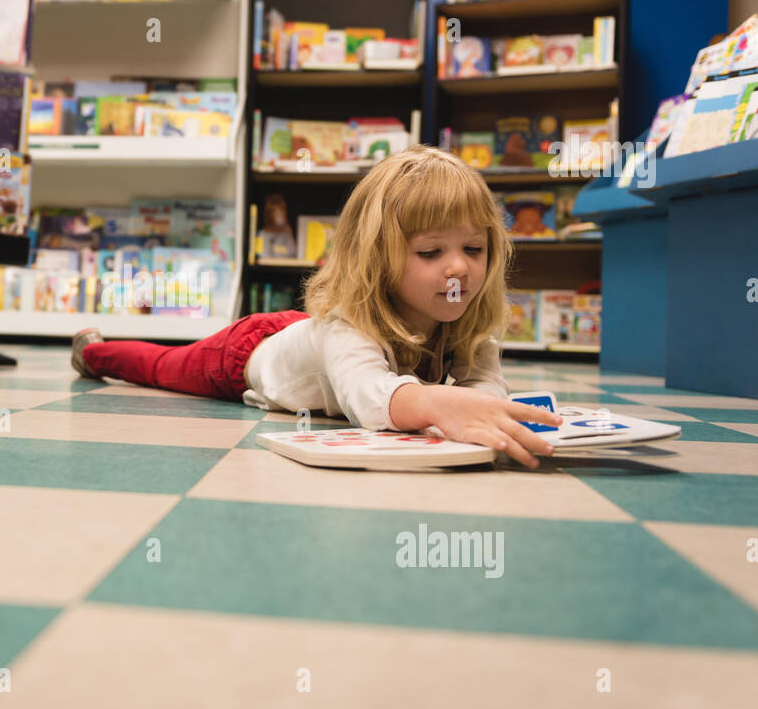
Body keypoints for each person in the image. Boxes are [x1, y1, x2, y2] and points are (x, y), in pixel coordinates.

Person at [70, 145, 563, 468]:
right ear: (377, 258)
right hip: (245, 355)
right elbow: (369, 397)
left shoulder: (468, 320)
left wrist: (482, 406)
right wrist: (438, 403)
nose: (459, 269)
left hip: (307, 335)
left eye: (474, 250)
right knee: (163, 366)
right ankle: (94, 351)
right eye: (431, 252)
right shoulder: (349, 328)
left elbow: (484, 387)